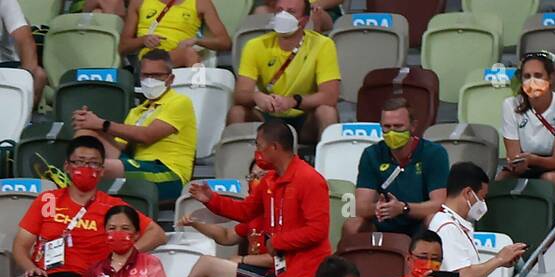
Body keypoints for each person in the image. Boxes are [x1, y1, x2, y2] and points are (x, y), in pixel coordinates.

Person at [188, 118, 331, 277]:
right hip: (283, 270)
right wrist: (211, 199)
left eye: (259, 145)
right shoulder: (270, 181)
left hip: (305, 271)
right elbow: (245, 211)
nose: (257, 151)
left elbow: (317, 230)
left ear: (274, 147)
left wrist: (278, 242)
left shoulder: (310, 180)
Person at [13, 136, 166, 277]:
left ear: (102, 170)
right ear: (67, 166)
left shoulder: (113, 206)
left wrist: (125, 256)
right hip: (46, 275)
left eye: (93, 163)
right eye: (79, 161)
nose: (86, 168)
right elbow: (20, 245)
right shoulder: (47, 200)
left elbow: (157, 234)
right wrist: (30, 268)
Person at [71, 49, 197, 204]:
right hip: (138, 165)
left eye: (157, 75)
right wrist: (90, 123)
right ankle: (73, 172)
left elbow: (146, 136)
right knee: (86, 131)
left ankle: (74, 196)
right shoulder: (137, 111)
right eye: (146, 75)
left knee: (100, 167)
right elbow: (121, 146)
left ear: (170, 79)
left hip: (168, 173)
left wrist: (101, 124)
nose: (150, 80)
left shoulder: (180, 102)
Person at [428, 162, 527, 277]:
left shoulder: (457, 224)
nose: (483, 203)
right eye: (482, 197)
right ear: (468, 193)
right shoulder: (446, 226)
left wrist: (502, 263)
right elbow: (462, 275)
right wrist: (498, 259)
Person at [231, 0, 340, 141]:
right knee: (237, 112)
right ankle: (239, 161)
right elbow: (240, 94)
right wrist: (256, 97)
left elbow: (330, 96)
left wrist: (293, 101)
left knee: (327, 112)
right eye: (280, 10)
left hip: (304, 115)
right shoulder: (255, 45)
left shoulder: (323, 45)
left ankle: (327, 161)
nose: (283, 15)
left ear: (304, 20)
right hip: (268, 116)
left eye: (291, 12)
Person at [178, 158, 279, 277]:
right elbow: (226, 236)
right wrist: (195, 223)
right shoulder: (254, 214)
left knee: (206, 263)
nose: (256, 182)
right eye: (253, 177)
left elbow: (275, 260)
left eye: (261, 176)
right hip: (252, 274)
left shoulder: (279, 213)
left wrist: (242, 260)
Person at [344, 95, 448, 238]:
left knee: (436, 220)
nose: (392, 132)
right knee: (352, 225)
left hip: (419, 223)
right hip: (382, 223)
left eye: (398, 127)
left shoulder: (434, 153)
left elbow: (439, 204)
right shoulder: (372, 154)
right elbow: (360, 207)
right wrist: (380, 208)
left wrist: (403, 208)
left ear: (413, 125)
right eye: (387, 127)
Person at [499, 51, 555, 199]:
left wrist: (532, 159)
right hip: (528, 167)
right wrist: (518, 163)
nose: (532, 81)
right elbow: (514, 155)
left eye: (538, 76)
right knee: (501, 180)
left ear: (551, 78)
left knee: (549, 180)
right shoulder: (510, 105)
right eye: (527, 77)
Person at [120, 0, 232, 68]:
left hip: (179, 54)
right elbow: (123, 47)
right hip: (148, 58)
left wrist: (197, 40)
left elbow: (225, 42)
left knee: (189, 54)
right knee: (189, 54)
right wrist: (143, 40)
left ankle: (198, 93)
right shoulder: (139, 2)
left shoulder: (200, 3)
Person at [0, 0, 48, 112]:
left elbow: (25, 39)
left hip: (6, 65)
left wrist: (26, 77)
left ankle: (22, 122)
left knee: (38, 75)